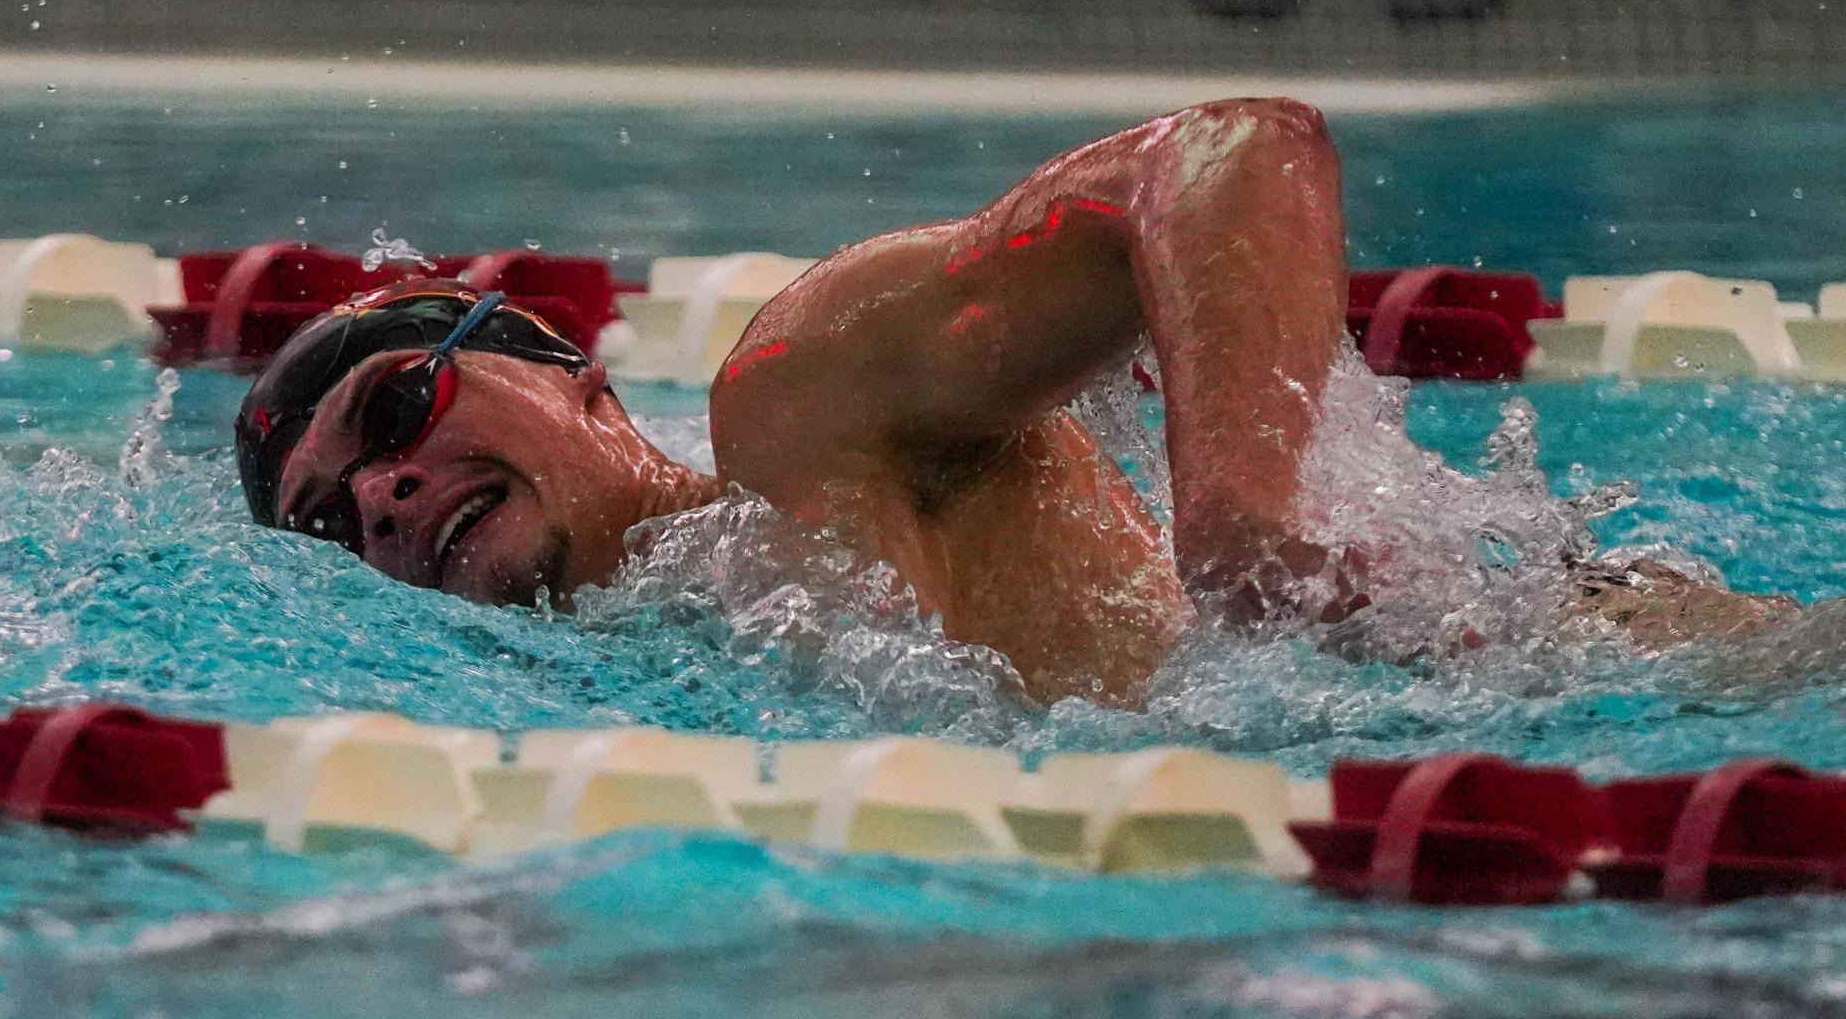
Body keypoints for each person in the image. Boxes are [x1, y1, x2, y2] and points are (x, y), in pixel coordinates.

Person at [235, 100, 1795, 708]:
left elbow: (1222, 154)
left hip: (1584, 685)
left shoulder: (800, 410)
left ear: (570, 365)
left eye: (392, 413)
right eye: (328, 515)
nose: (374, 496)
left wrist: (1251, 514)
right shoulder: (574, 703)